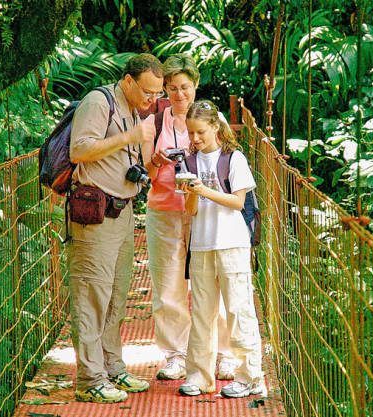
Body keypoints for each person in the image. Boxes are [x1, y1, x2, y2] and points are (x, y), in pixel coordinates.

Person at [68, 53, 163, 404]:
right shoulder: (99, 101)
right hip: (94, 214)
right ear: (127, 81)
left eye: (157, 94)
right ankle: (90, 380)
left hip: (122, 212)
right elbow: (80, 150)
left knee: (116, 295)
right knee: (92, 295)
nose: (152, 100)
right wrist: (130, 138)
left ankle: (112, 367)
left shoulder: (132, 109)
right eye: (148, 92)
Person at [142, 54, 238, 381]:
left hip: (206, 213)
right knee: (168, 282)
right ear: (164, 89)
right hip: (164, 211)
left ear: (196, 85)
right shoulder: (154, 123)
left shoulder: (214, 120)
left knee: (213, 281)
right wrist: (156, 161)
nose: (179, 94)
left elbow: (229, 164)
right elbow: (143, 172)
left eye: (185, 87)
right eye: (172, 88)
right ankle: (176, 355)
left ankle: (224, 353)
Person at [176, 100, 265, 398]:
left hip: (232, 242)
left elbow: (238, 202)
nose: (195, 139)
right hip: (201, 244)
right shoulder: (188, 163)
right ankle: (199, 376)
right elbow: (192, 210)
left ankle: (250, 377)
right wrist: (190, 193)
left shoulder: (234, 158)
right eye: (191, 133)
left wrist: (204, 190)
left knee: (238, 310)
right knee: (201, 313)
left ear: (215, 127)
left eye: (200, 132)